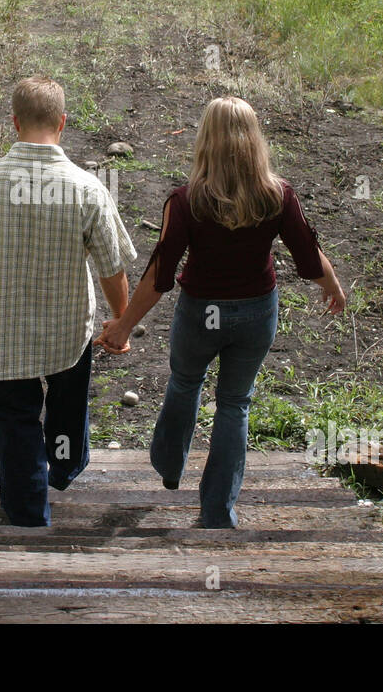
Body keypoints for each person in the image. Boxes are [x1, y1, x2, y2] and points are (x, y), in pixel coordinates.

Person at [95, 96, 346, 528]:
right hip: (255, 314)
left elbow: (160, 274)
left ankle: (170, 467)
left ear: (205, 140)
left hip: (201, 314)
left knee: (185, 384)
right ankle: (217, 512)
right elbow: (307, 256)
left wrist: (123, 325)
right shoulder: (277, 195)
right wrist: (333, 285)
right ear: (254, 140)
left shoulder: (187, 199)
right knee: (234, 404)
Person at [0, 76, 137, 527]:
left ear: (14, 122)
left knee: (15, 421)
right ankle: (64, 468)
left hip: (3, 333)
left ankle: (29, 510)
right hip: (68, 332)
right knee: (68, 407)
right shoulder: (87, 189)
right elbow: (111, 268)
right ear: (63, 123)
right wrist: (121, 320)